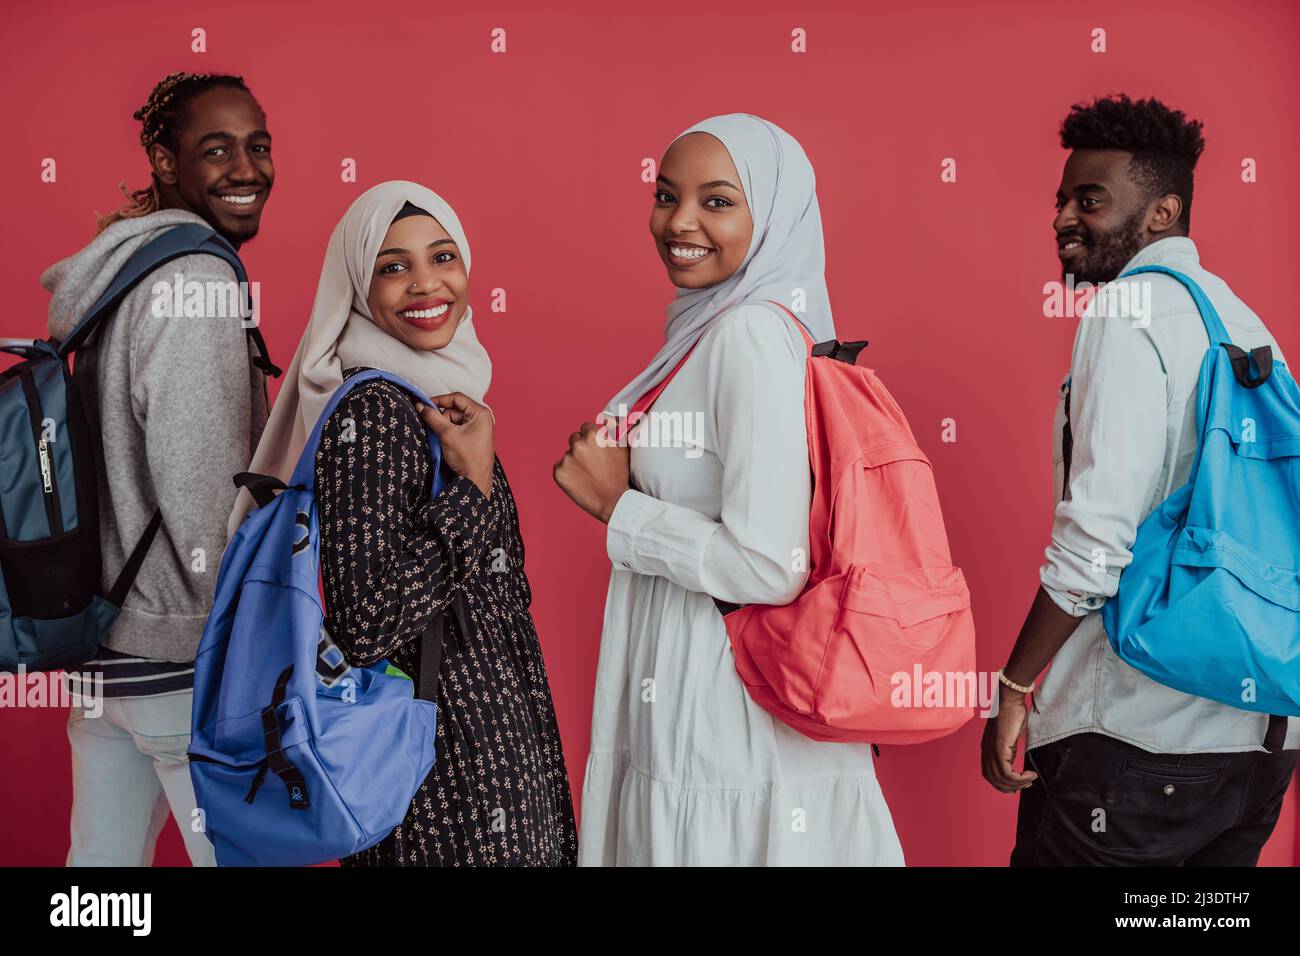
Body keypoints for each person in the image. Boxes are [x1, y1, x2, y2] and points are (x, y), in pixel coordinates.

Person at [555, 113, 905, 866]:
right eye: (665, 195)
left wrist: (620, 507)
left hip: (723, 707)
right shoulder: (712, 330)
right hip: (703, 700)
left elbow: (771, 563)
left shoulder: (747, 334)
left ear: (774, 216)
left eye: (718, 201)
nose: (680, 221)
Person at [981, 94, 1299, 866]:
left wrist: (1016, 687)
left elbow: (1095, 543)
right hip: (1260, 745)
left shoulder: (1125, 313)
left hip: (1132, 740)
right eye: (1060, 199)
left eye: (1090, 200)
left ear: (1162, 213)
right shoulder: (1246, 323)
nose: (1063, 217)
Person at [231, 181, 578, 866]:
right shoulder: (375, 412)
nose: (426, 283)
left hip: (496, 759)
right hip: (445, 780)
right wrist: (473, 491)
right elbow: (366, 625)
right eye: (393, 266)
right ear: (359, 284)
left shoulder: (441, 400)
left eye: (443, 257)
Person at [42, 71, 274, 866]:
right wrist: (241, 647)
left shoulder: (118, 274)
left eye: (258, 145)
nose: (247, 169)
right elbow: (203, 487)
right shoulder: (196, 282)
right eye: (217, 149)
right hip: (181, 662)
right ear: (163, 159)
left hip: (99, 653)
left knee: (100, 882)